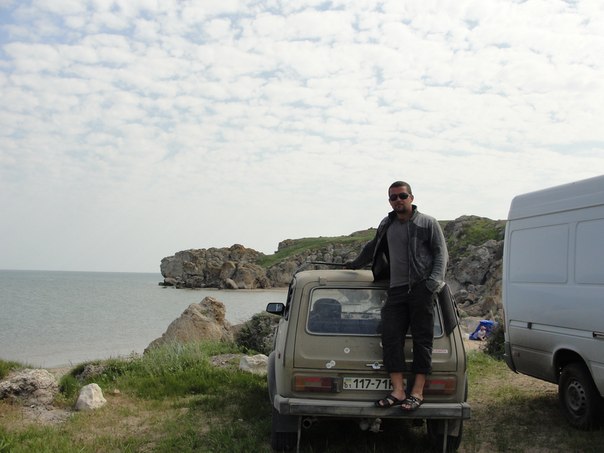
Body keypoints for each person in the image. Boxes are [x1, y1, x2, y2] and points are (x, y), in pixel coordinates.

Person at [346, 181, 448, 411]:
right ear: (389, 201)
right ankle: (398, 391)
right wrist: (355, 263)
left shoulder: (427, 223)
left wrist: (431, 285)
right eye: (393, 197)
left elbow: (441, 254)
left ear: (411, 197)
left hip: (421, 288)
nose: (398, 200)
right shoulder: (387, 223)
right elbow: (373, 247)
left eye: (402, 196)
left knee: (422, 340)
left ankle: (417, 392)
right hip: (396, 289)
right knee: (391, 337)